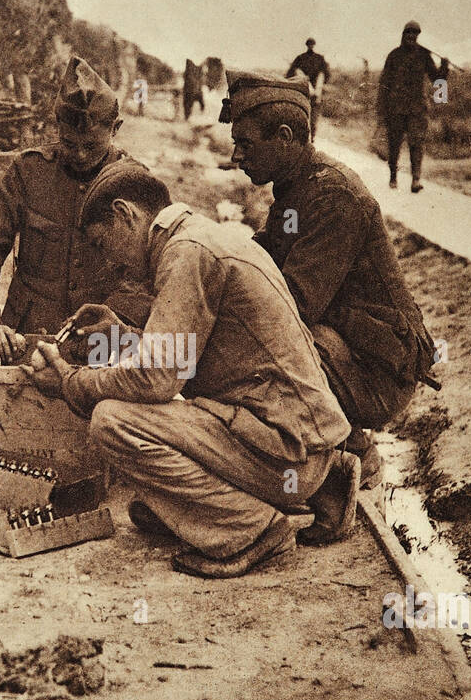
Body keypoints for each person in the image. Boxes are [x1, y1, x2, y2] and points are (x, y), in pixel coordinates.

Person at [20, 166, 354, 577]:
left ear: (127, 215)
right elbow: (193, 354)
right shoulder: (203, 237)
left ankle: (249, 529)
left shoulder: (187, 254)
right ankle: (326, 486)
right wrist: (122, 336)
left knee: (111, 421)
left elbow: (157, 379)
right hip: (297, 440)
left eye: (104, 245)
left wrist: (71, 383)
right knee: (152, 493)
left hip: (286, 453)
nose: (109, 262)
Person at [223, 71, 439, 540]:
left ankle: (342, 459)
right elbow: (260, 259)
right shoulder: (295, 189)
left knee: (256, 357)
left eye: (245, 143)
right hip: (352, 353)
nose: (235, 156)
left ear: (284, 138)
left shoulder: (332, 196)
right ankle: (325, 455)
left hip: (378, 374)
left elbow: (292, 305)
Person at [0, 55, 152, 363]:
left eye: (91, 146)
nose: (78, 154)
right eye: (68, 142)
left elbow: (147, 273)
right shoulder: (27, 171)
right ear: (57, 126)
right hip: (26, 338)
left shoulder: (136, 182)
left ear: (115, 128)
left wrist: (115, 324)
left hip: (102, 344)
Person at [377, 21, 449, 192]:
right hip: (396, 109)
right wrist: (382, 110)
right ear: (403, 34)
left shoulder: (424, 56)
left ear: (418, 36)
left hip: (417, 108)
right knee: (394, 145)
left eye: (415, 34)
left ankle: (416, 180)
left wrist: (444, 67)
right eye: (409, 33)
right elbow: (384, 84)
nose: (411, 36)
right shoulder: (393, 56)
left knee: (417, 143)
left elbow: (437, 80)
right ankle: (393, 176)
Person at [286, 37, 330, 139]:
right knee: (310, 115)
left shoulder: (302, 58)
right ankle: (310, 136)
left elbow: (290, 74)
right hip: (310, 91)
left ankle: (311, 136)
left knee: (310, 114)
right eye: (310, 44)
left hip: (307, 91)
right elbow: (326, 75)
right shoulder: (317, 58)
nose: (311, 46)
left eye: (311, 44)